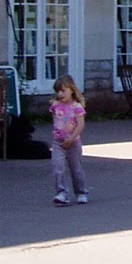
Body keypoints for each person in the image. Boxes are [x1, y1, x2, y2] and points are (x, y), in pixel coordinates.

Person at [49, 74, 88, 206]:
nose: (60, 94)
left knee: (76, 169)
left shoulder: (77, 107)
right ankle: (62, 193)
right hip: (58, 142)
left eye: (63, 91)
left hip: (73, 142)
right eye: (57, 91)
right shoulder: (55, 106)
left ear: (71, 90)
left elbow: (81, 125)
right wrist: (58, 135)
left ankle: (81, 192)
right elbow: (55, 121)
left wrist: (71, 139)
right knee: (57, 167)